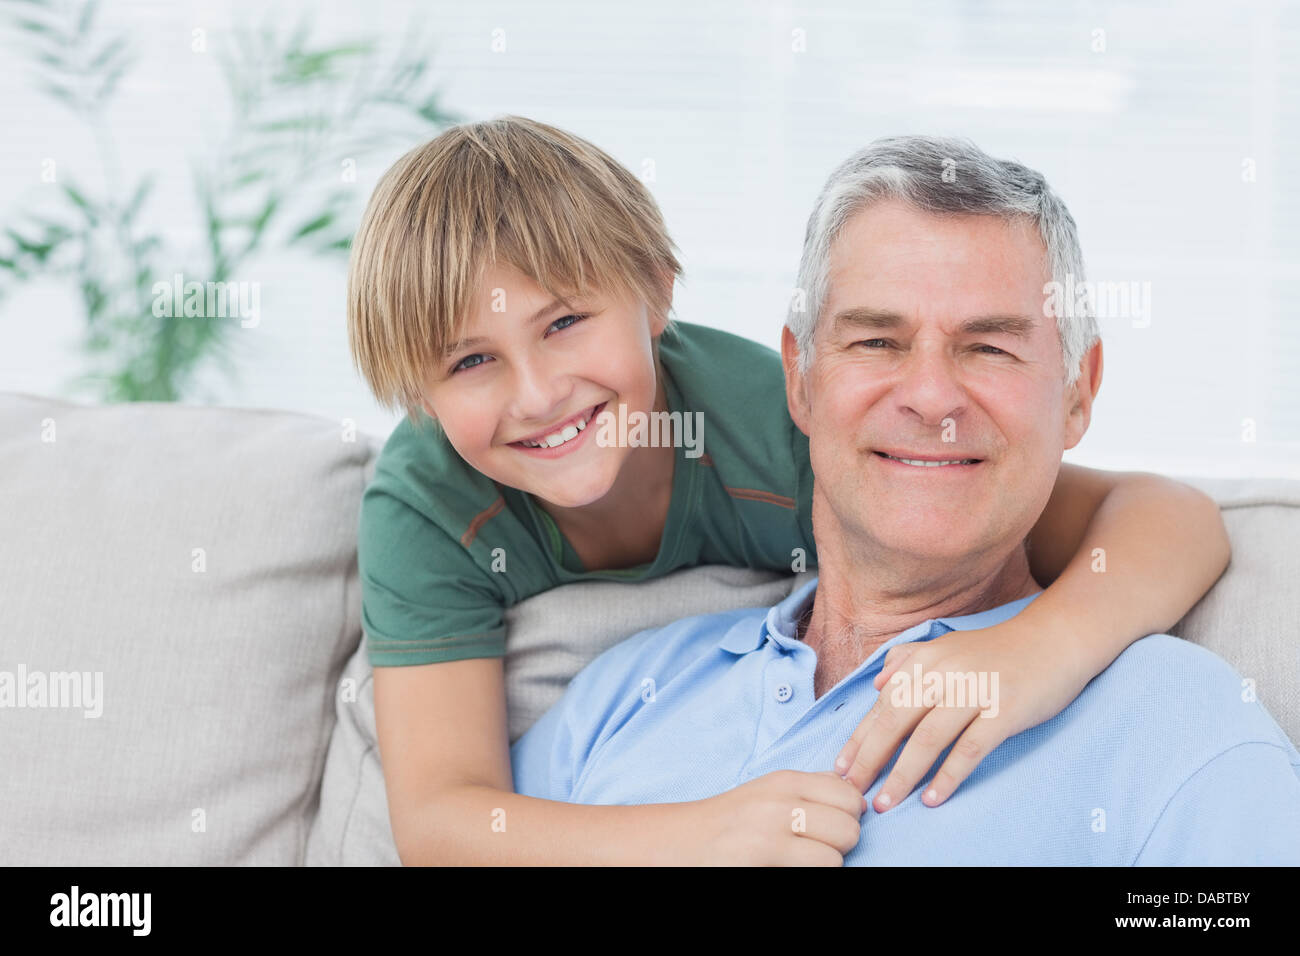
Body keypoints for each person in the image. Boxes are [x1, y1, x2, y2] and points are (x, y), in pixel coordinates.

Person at [347, 118, 1232, 865]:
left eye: (567, 322)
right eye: (470, 361)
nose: (537, 394)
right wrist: (697, 835)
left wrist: (1039, 651)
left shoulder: (797, 432)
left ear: (658, 296)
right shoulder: (431, 508)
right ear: (419, 394)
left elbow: (1169, 518)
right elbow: (441, 819)